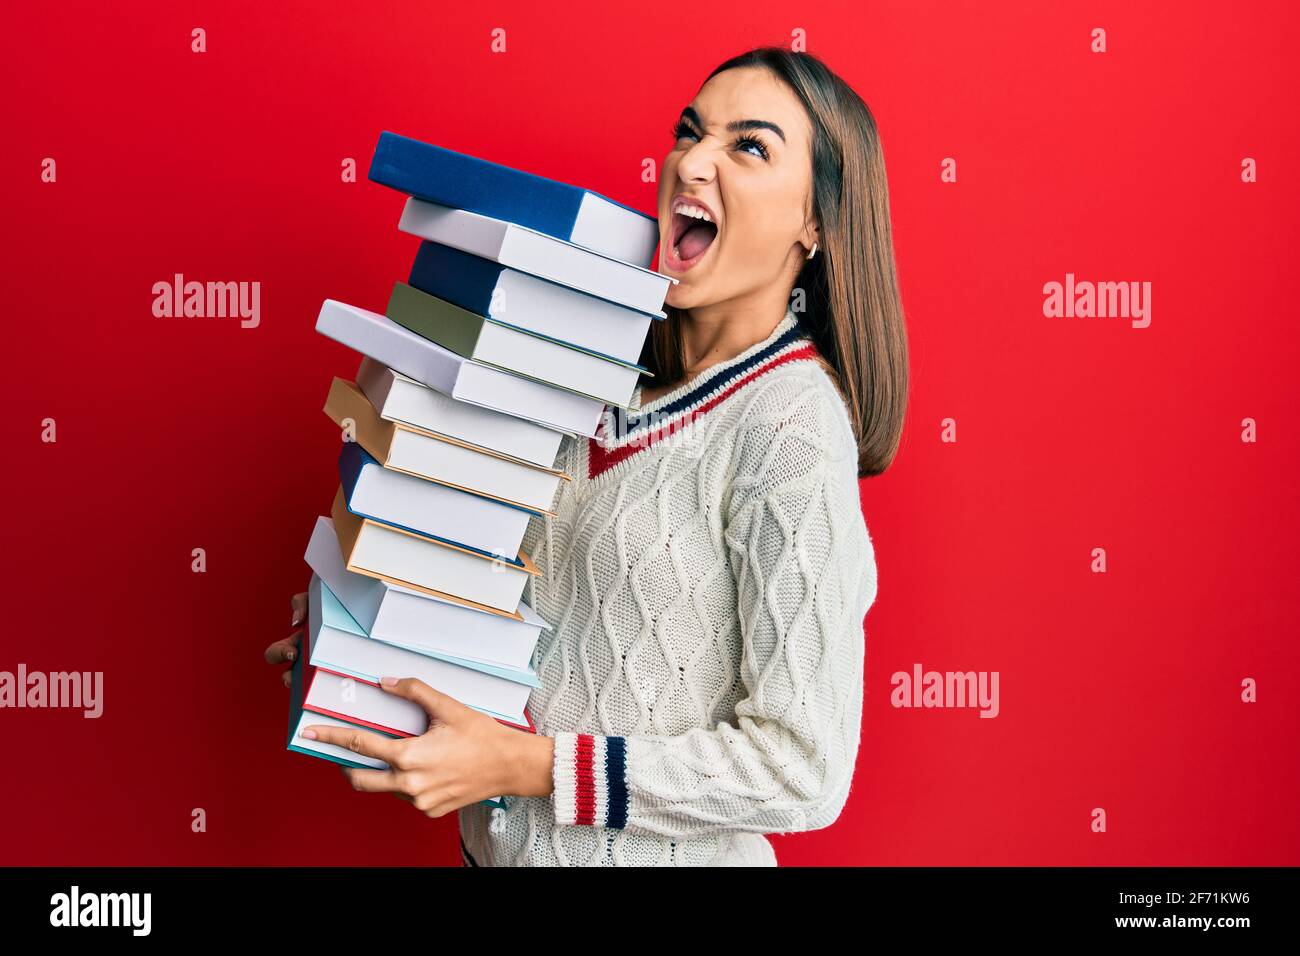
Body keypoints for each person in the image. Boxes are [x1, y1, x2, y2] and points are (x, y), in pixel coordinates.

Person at [264, 45, 908, 866]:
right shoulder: (590, 375)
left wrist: (527, 766)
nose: (693, 162)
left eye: (748, 147)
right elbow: (541, 626)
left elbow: (801, 768)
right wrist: (368, 644)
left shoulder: (790, 428)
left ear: (815, 222)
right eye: (690, 132)